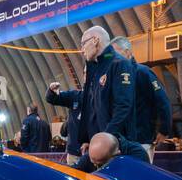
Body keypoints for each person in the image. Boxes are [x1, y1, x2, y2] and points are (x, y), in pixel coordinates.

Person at [46, 25, 138, 164]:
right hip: (98, 147)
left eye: (83, 44)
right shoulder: (96, 69)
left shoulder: (119, 64)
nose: (82, 50)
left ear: (95, 40)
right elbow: (94, 111)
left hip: (114, 147)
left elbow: (123, 106)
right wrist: (90, 139)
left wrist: (104, 140)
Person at [110, 35, 172, 157]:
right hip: (121, 142)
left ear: (127, 52)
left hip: (141, 140)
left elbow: (162, 101)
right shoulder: (115, 77)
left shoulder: (142, 72)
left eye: (115, 53)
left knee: (140, 174)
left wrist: (164, 129)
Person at [77, 131, 147, 173]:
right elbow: (75, 171)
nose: (97, 168)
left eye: (100, 165)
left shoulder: (138, 155)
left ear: (117, 155)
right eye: (93, 163)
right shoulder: (94, 154)